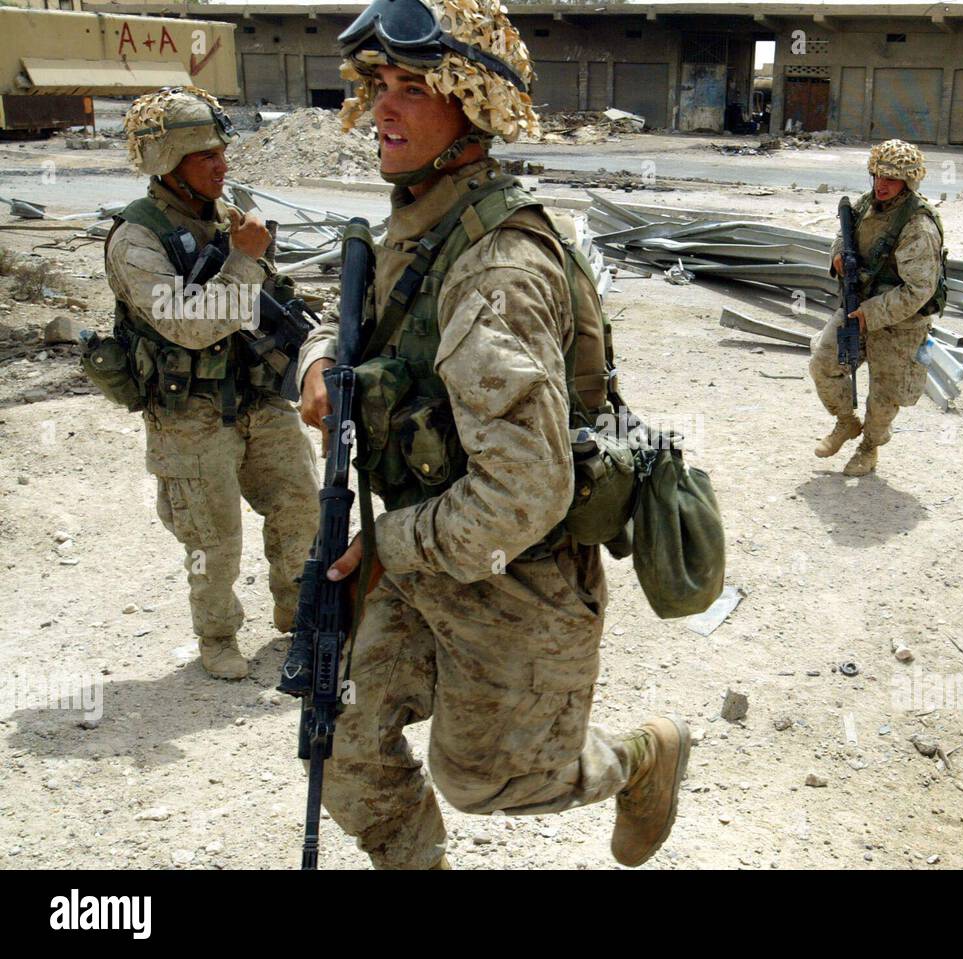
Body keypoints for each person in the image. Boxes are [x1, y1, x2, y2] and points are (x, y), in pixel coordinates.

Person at [284, 0, 691, 869]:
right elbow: (358, 324)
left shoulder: (495, 269)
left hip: (516, 573)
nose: (383, 109)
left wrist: (388, 543)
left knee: (493, 782)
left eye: (412, 89)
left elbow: (523, 492)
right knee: (345, 749)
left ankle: (641, 759)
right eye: (379, 85)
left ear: (473, 106)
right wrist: (319, 363)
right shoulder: (422, 218)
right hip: (424, 547)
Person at [103, 86, 319, 679]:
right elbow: (188, 325)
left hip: (257, 395)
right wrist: (245, 260)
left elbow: (265, 304)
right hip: (188, 412)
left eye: (223, 152)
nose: (223, 165)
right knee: (212, 538)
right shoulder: (136, 238)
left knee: (301, 505)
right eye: (206, 157)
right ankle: (218, 635)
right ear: (168, 167)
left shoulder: (226, 219)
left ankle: (299, 609)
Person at [809, 138, 945, 476]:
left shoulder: (918, 225)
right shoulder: (868, 204)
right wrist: (838, 255)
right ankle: (845, 422)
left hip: (900, 322)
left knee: (885, 396)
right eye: (879, 176)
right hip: (858, 305)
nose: (882, 185)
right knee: (823, 362)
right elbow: (844, 235)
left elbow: (919, 290)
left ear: (908, 182)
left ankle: (869, 448)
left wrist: (871, 314)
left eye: (892, 179)